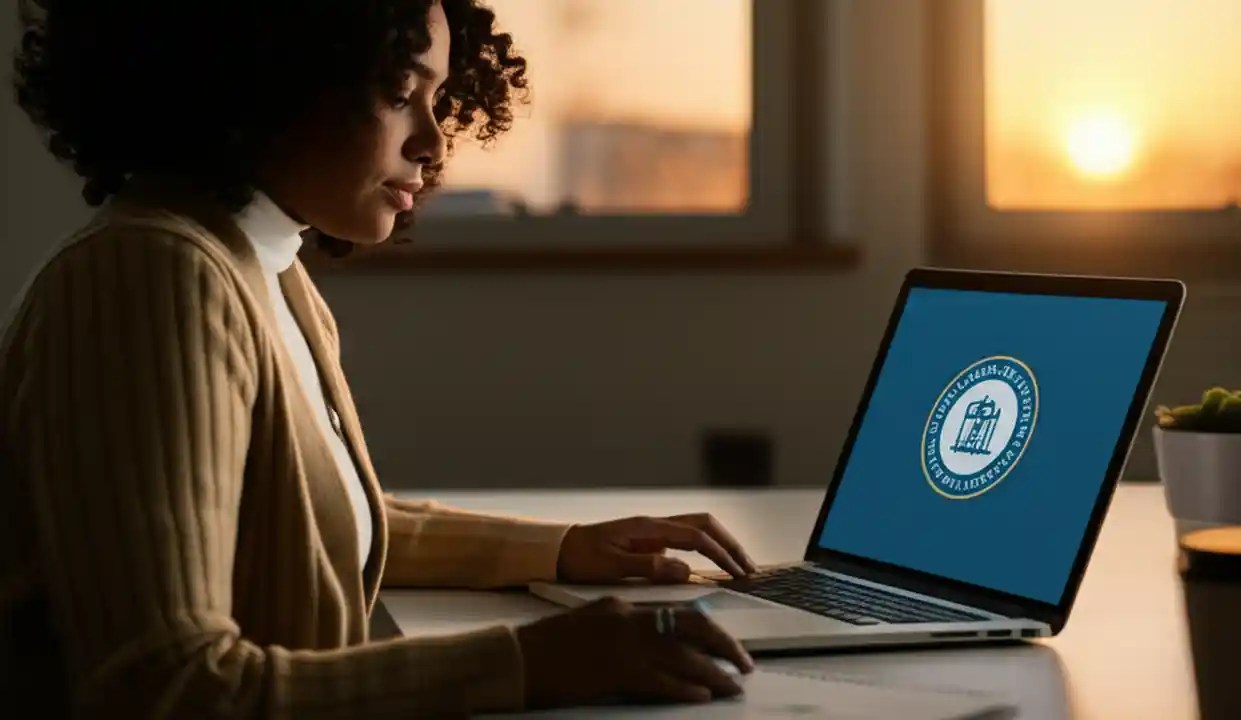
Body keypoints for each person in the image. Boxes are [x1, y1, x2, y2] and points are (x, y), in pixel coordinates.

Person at [0, 1, 758, 716]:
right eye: (401, 90)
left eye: (438, 96)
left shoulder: (262, 265)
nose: (433, 141)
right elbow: (167, 688)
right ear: (276, 71)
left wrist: (563, 549)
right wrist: (531, 663)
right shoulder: (154, 275)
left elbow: (306, 520)